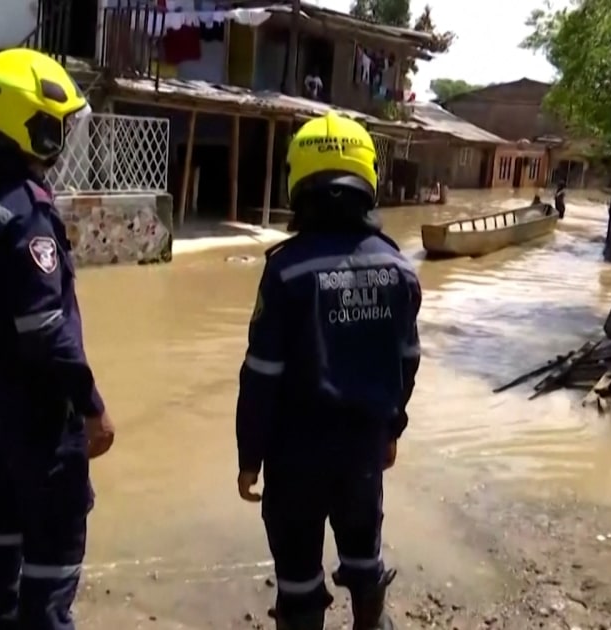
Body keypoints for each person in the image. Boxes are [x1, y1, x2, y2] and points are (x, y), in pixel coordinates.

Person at [0, 48, 115, 630]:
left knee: (0, 520)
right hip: (42, 412)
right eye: (55, 124)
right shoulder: (27, 215)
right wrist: (92, 408)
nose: (61, 138)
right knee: (53, 545)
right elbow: (47, 331)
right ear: (29, 124)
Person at [235, 112, 423, 630]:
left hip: (295, 455)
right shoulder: (400, 268)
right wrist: (391, 430)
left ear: (298, 181)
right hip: (363, 448)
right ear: (368, 180)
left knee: (298, 578)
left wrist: (249, 455)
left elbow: (261, 374)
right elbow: (406, 361)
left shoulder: (286, 269)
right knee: (365, 561)